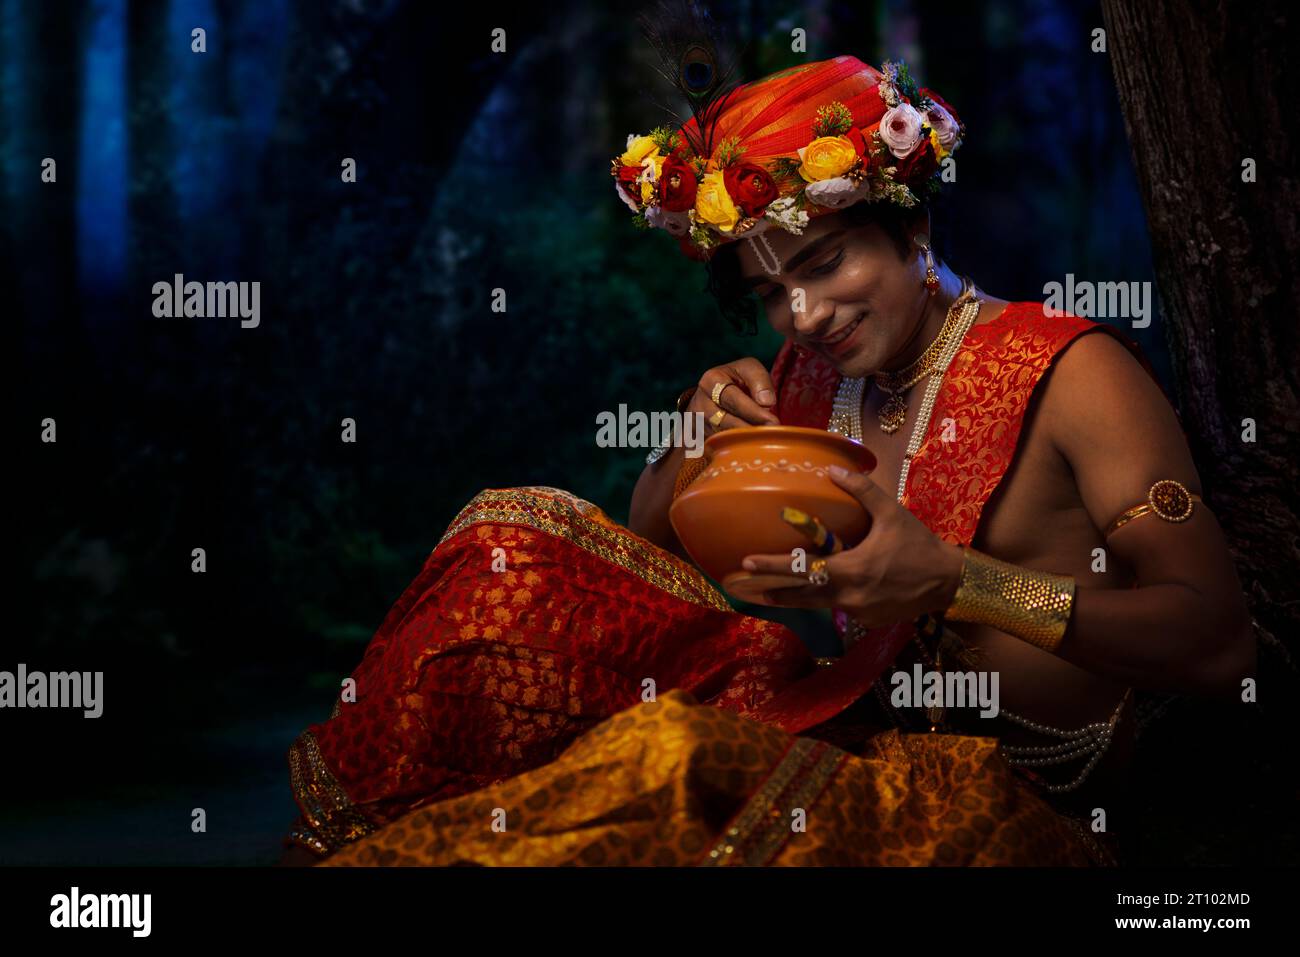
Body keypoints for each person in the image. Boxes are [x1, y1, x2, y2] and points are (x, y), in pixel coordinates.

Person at [280, 55, 1254, 867]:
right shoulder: (804, 380)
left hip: (1035, 803)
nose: (802, 316)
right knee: (508, 547)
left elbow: (1216, 646)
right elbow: (642, 559)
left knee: (661, 763)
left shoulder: (1074, 371)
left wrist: (962, 582)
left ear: (913, 227)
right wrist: (696, 437)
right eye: (768, 293)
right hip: (857, 744)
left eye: (825, 264)